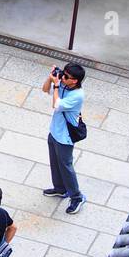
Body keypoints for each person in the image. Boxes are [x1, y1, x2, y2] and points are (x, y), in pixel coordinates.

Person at [42, 63, 86, 215]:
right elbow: (44, 89)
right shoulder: (64, 84)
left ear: (75, 81)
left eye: (66, 76)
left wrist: (56, 86)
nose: (63, 77)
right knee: (55, 162)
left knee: (66, 167)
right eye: (63, 74)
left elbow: (56, 104)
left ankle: (76, 197)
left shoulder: (77, 95)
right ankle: (60, 188)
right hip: (54, 131)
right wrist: (51, 78)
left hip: (65, 138)